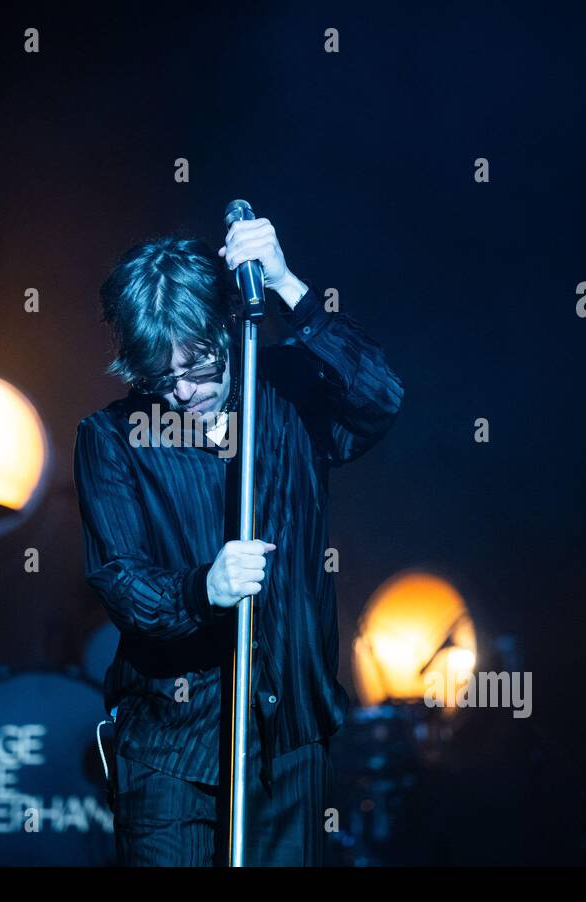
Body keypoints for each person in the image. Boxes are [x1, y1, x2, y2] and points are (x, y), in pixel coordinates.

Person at [73, 215, 403, 865]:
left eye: (196, 368)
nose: (183, 392)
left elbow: (380, 398)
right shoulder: (109, 438)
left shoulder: (289, 389)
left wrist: (286, 284)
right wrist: (204, 587)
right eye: (160, 380)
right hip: (171, 756)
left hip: (289, 741)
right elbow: (122, 581)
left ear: (225, 328)